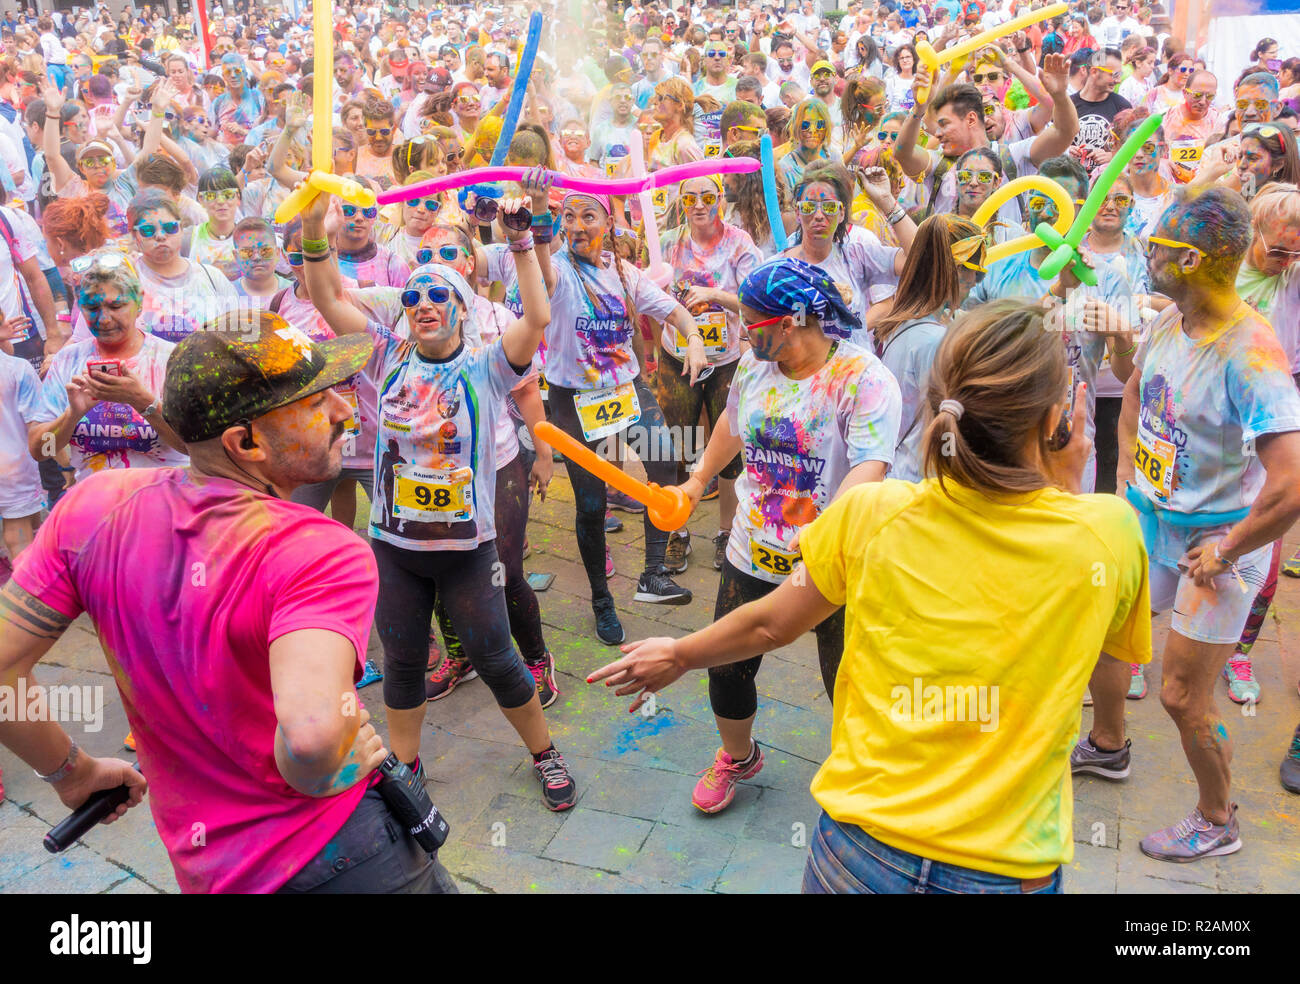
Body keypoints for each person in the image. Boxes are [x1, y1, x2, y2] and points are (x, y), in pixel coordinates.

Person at [590, 299, 1150, 893]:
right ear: (1059, 421)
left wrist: (678, 655)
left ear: (937, 404)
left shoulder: (871, 515)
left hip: (858, 855)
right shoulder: (1109, 533)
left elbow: (769, 627)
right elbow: (1101, 659)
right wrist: (1064, 490)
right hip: (1007, 869)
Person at [0, 307, 457, 894]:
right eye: (317, 404)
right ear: (245, 442)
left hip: (211, 873)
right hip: (341, 857)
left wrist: (70, 771)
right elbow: (314, 741)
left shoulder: (94, 508)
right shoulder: (318, 549)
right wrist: (343, 750)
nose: (346, 411)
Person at [301, 175, 580, 813]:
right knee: (400, 663)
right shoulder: (383, 356)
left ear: (461, 307)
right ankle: (405, 763)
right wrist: (317, 231)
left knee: (496, 656)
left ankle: (544, 753)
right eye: (414, 296)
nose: (425, 302)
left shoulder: (486, 364)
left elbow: (536, 317)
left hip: (468, 547)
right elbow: (326, 298)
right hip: (395, 546)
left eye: (439, 295)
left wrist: (522, 242)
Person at [1091, 188, 1300, 862]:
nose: (1146, 255)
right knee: (1103, 634)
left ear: (1186, 258)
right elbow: (1133, 394)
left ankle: (1218, 819)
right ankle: (1108, 747)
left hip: (1219, 546)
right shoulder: (1168, 319)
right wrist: (1127, 476)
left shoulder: (1253, 355)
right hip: (1151, 521)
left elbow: (1292, 484)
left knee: (1183, 695)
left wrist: (1230, 549)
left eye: (1156, 249)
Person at [656, 174, 762, 574]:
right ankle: (677, 532)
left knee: (730, 452)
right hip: (677, 358)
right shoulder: (667, 244)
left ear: (720, 198)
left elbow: (755, 300)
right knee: (678, 446)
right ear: (680, 202)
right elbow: (652, 298)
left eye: (706, 196)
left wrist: (714, 295)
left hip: (726, 361)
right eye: (690, 198)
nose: (699, 205)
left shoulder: (740, 243)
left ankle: (724, 533)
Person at [27, 249, 187, 482]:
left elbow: (190, 446)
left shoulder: (170, 359)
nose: (104, 319)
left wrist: (143, 402)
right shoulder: (68, 361)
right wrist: (72, 415)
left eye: (116, 306)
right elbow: (42, 451)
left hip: (164, 499)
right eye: (92, 308)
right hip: (95, 504)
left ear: (139, 301)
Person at [874, 214, 986, 481]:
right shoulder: (935, 340)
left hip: (898, 477)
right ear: (957, 271)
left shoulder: (901, 324)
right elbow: (946, 426)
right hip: (927, 483)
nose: (976, 283)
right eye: (976, 272)